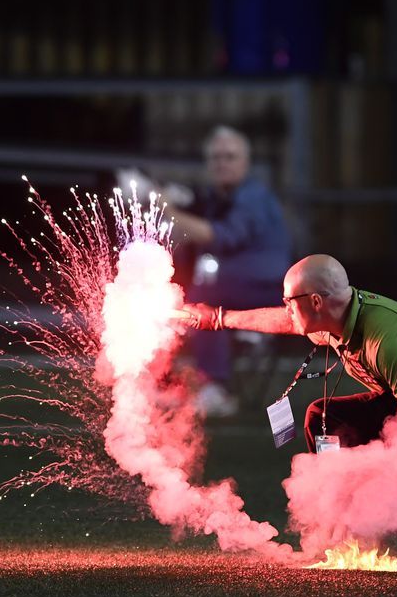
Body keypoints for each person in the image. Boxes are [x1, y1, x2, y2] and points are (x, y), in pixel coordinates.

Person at [182, 254, 397, 561]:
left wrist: (392, 491)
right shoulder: (337, 313)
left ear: (315, 302)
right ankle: (344, 519)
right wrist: (217, 318)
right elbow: (285, 321)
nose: (286, 308)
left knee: (396, 453)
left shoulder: (386, 337)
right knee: (324, 417)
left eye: (289, 300)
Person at [125, 125, 292, 417]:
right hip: (236, 286)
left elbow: (218, 236)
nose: (222, 163)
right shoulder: (221, 196)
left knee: (202, 301)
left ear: (245, 162)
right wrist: (162, 195)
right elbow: (196, 206)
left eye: (230, 156)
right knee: (170, 294)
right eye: (216, 157)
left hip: (265, 291)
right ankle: (164, 382)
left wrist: (166, 209)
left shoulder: (253, 197)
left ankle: (216, 388)